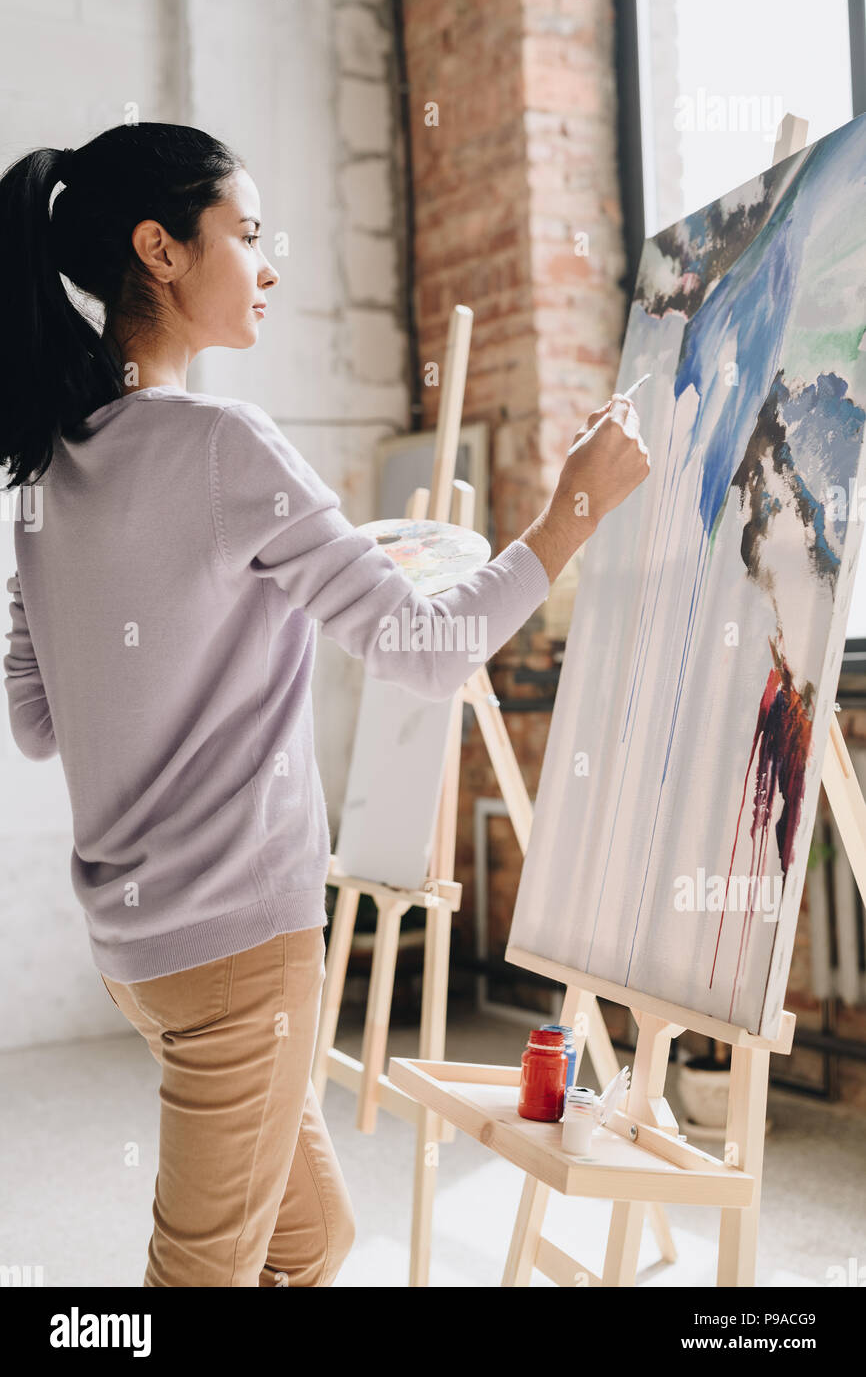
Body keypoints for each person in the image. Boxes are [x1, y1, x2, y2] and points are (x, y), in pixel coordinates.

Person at [0, 121, 650, 1287]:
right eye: (245, 234)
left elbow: (41, 720)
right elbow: (425, 649)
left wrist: (228, 624)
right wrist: (571, 513)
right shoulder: (224, 444)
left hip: (136, 953)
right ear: (158, 247)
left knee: (315, 1243)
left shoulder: (55, 464)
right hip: (238, 946)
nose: (269, 263)